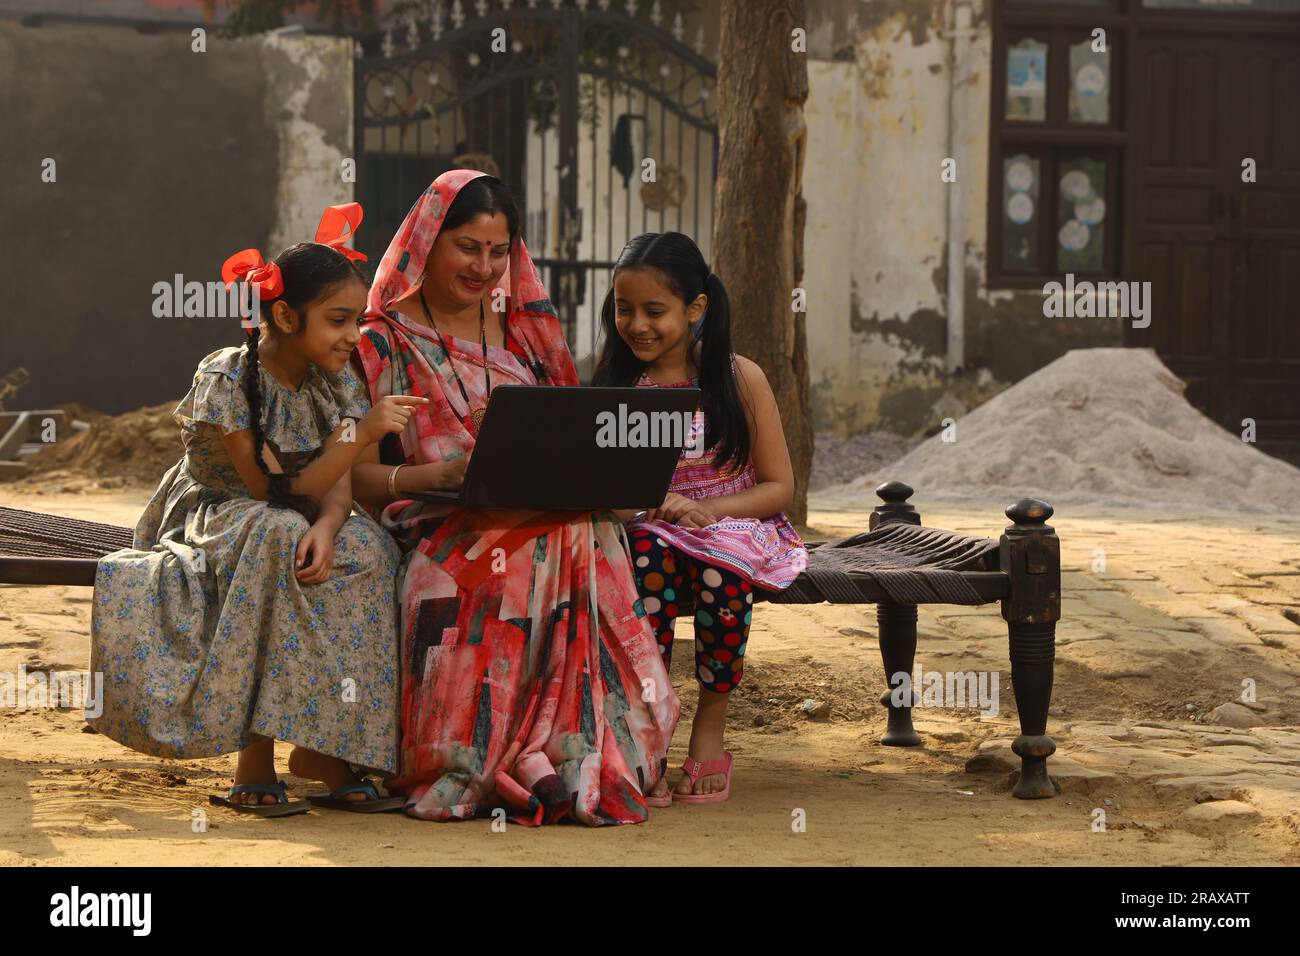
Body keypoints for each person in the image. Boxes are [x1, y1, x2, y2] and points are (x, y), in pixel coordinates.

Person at [347, 169, 679, 826]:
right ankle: (493, 755)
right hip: (443, 523)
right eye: (468, 247)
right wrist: (432, 478)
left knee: (579, 530)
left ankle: (560, 748)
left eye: (499, 252)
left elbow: (569, 430)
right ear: (428, 240)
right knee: (487, 572)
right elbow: (356, 477)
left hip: (549, 512)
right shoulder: (379, 337)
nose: (484, 266)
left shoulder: (525, 325)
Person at [90, 204, 427, 814]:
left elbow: (336, 488)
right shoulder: (228, 375)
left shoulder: (334, 379)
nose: (355, 335)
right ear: (284, 314)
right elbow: (265, 490)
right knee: (273, 536)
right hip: (221, 513)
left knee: (368, 550)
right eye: (338, 320)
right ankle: (254, 754)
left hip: (301, 512)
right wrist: (360, 435)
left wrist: (329, 526)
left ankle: (328, 747)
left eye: (356, 319)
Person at [592, 231, 808, 805]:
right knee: (646, 561)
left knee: (722, 572)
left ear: (695, 308)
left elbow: (777, 487)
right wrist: (641, 508)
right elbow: (597, 488)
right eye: (624, 308)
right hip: (647, 528)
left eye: (655, 311)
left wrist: (707, 510)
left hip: (734, 524)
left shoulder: (739, 380)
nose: (637, 324)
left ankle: (710, 724)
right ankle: (649, 726)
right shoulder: (616, 387)